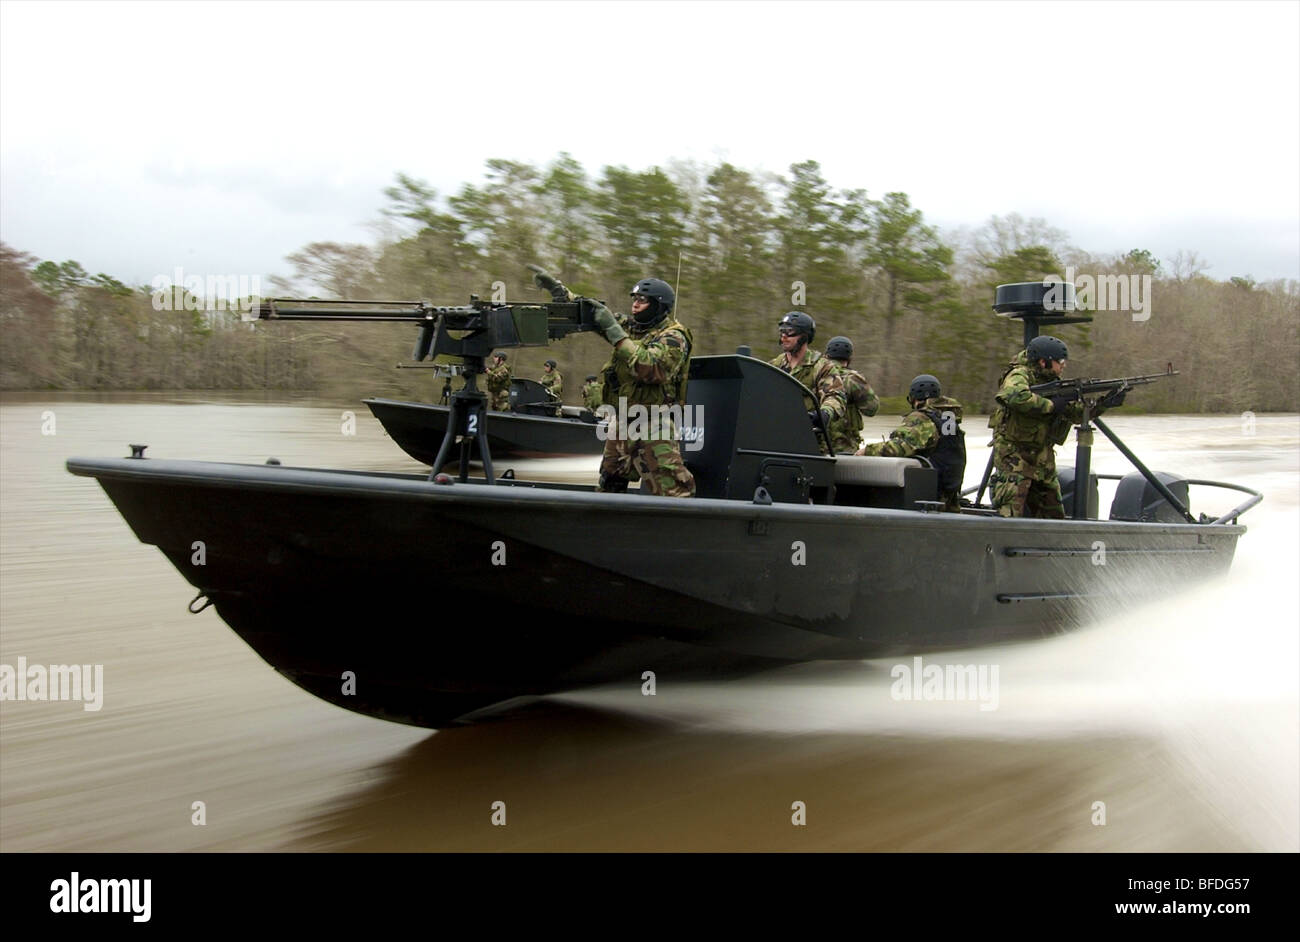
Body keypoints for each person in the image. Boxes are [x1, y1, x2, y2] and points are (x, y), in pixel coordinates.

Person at [988, 335, 1123, 518]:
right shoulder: (1019, 374)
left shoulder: (1052, 381)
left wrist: (1104, 403)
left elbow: (1074, 413)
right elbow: (1013, 396)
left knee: (1053, 515)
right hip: (1015, 457)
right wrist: (1051, 406)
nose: (1063, 366)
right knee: (1010, 512)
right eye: (1060, 362)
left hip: (1043, 458)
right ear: (1043, 362)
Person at [585, 275, 695, 498]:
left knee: (672, 490)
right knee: (609, 481)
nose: (635, 304)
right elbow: (597, 317)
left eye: (642, 300)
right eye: (634, 298)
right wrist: (565, 295)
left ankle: (679, 531)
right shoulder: (634, 327)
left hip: (654, 422)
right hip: (624, 419)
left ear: (657, 305)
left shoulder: (674, 336)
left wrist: (616, 336)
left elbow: (652, 368)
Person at [858, 374, 966, 512]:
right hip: (948, 495)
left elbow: (899, 448)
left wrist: (867, 451)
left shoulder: (922, 418)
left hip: (928, 496)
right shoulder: (948, 418)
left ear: (914, 398)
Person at [767, 312, 847, 455]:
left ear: (804, 336)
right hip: (775, 440)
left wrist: (823, 414)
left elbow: (836, 396)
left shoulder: (821, 366)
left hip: (811, 443)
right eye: (782, 332)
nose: (784, 336)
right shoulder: (774, 366)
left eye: (790, 332)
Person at [823, 335, 880, 454]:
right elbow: (872, 409)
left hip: (815, 447)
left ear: (827, 355)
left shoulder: (816, 375)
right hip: (844, 447)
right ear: (849, 358)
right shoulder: (853, 380)